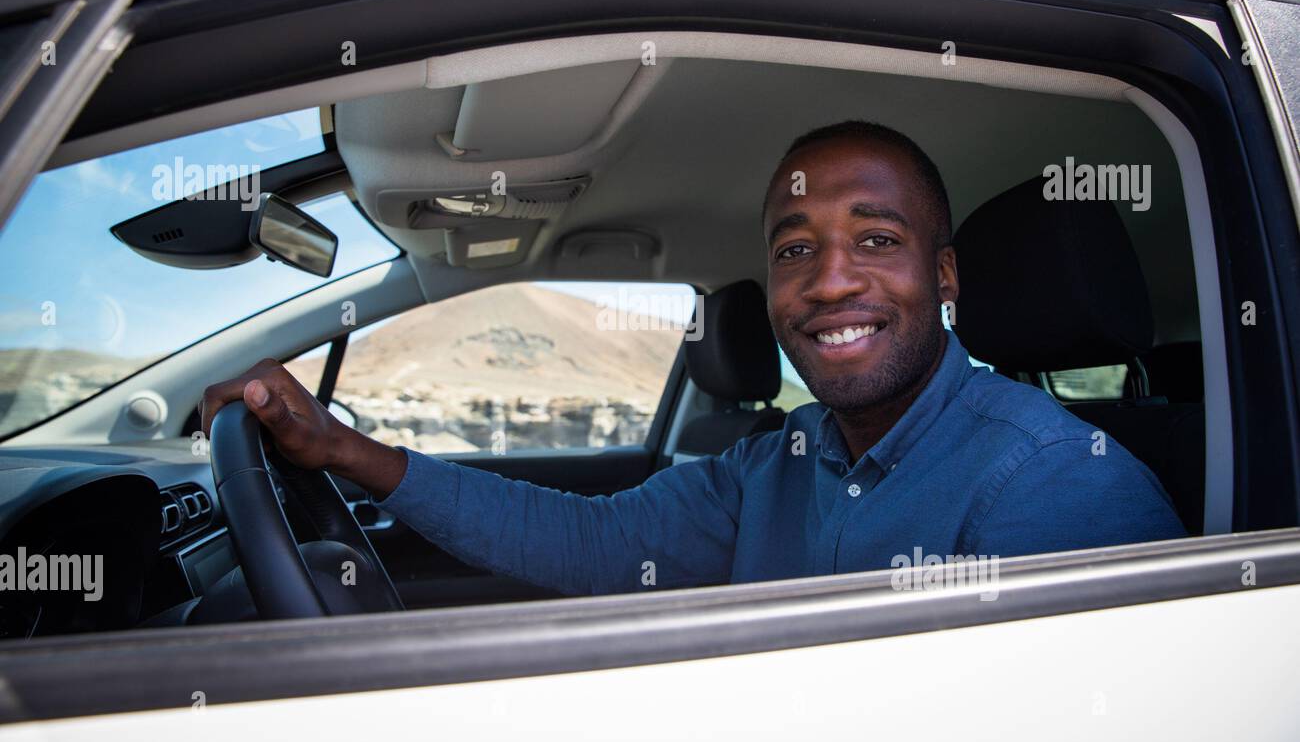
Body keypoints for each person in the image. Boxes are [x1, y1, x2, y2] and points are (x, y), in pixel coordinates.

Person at [202, 121, 1184, 595]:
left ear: (945, 275)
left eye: (876, 241)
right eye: (795, 249)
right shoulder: (777, 462)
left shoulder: (1059, 490)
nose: (829, 281)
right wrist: (342, 448)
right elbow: (582, 539)